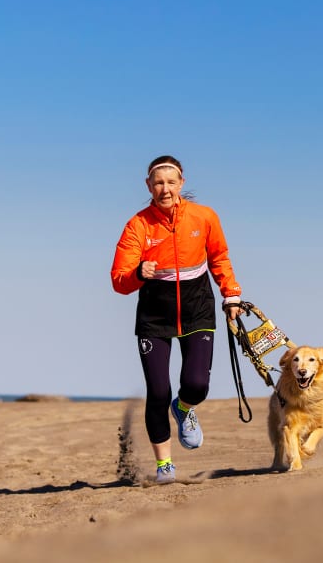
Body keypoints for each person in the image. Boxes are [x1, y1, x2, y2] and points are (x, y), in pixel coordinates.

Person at [111, 155, 243, 484]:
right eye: (158, 183)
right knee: (157, 390)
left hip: (198, 307)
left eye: (171, 182)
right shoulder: (138, 225)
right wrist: (139, 273)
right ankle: (164, 466)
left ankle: (183, 408)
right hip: (155, 314)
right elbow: (118, 279)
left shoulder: (204, 217)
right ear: (148, 186)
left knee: (196, 384)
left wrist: (232, 295)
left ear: (181, 183)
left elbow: (219, 257)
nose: (165, 189)